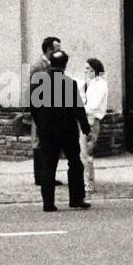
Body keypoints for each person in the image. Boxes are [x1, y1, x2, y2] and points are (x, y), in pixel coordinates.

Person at [29, 49, 90, 212]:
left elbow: (33, 107)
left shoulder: (38, 83)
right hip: (67, 131)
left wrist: (40, 124)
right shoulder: (69, 83)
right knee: (75, 164)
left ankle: (48, 203)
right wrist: (85, 127)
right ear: (64, 65)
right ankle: (76, 198)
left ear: (51, 64)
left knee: (48, 166)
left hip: (47, 132)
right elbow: (78, 108)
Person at [30, 37, 63, 188]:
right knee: (39, 143)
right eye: (57, 50)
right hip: (41, 110)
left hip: (52, 111)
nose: (59, 53)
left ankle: (49, 176)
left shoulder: (55, 65)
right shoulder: (38, 67)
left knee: (51, 144)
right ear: (49, 50)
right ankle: (40, 177)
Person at [80, 58, 108, 198]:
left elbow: (94, 106)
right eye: (85, 69)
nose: (86, 72)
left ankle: (88, 183)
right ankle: (86, 181)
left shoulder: (99, 85)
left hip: (91, 120)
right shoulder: (92, 84)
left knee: (86, 153)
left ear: (95, 70)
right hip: (88, 119)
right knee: (84, 153)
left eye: (89, 69)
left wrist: (78, 109)